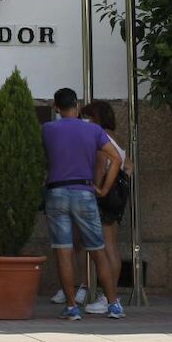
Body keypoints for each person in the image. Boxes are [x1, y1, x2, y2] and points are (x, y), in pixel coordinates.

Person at [43, 87, 124, 322]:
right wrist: (105, 189)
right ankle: (113, 304)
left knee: (64, 251)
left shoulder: (48, 129)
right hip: (85, 192)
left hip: (57, 191)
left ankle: (71, 306)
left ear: (56, 107)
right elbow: (116, 158)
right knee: (98, 251)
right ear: (77, 106)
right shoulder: (93, 130)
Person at [62, 99, 129, 314]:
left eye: (87, 117)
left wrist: (98, 189)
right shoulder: (113, 139)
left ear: (94, 119)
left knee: (106, 247)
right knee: (110, 246)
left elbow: (100, 168)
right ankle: (107, 294)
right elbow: (128, 166)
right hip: (115, 200)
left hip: (103, 199)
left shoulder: (100, 140)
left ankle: (108, 297)